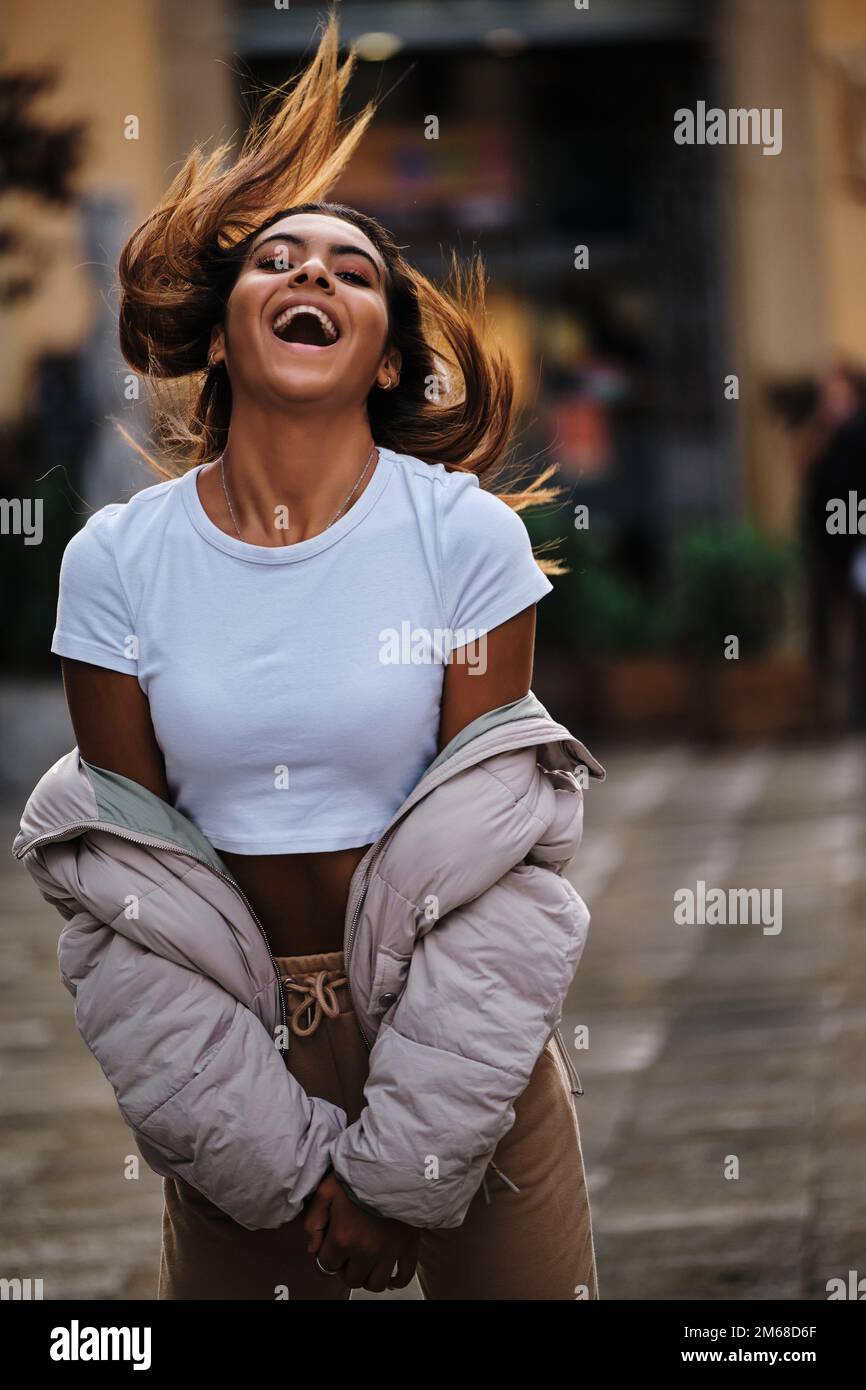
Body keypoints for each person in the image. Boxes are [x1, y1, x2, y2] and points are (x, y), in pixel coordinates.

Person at [48, 9, 597, 1299]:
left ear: (390, 352)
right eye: (276, 262)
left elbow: (496, 857)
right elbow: (129, 894)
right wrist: (286, 1167)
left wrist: (405, 1162)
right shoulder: (116, 563)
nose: (312, 279)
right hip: (224, 1059)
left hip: (462, 1043)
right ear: (223, 326)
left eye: (351, 272)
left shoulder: (461, 537)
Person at [795, 362, 866, 727]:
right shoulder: (823, 433)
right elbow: (802, 468)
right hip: (827, 547)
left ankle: (855, 709)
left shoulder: (858, 431)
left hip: (854, 546)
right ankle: (825, 709)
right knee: (824, 627)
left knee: (858, 630)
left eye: (835, 392)